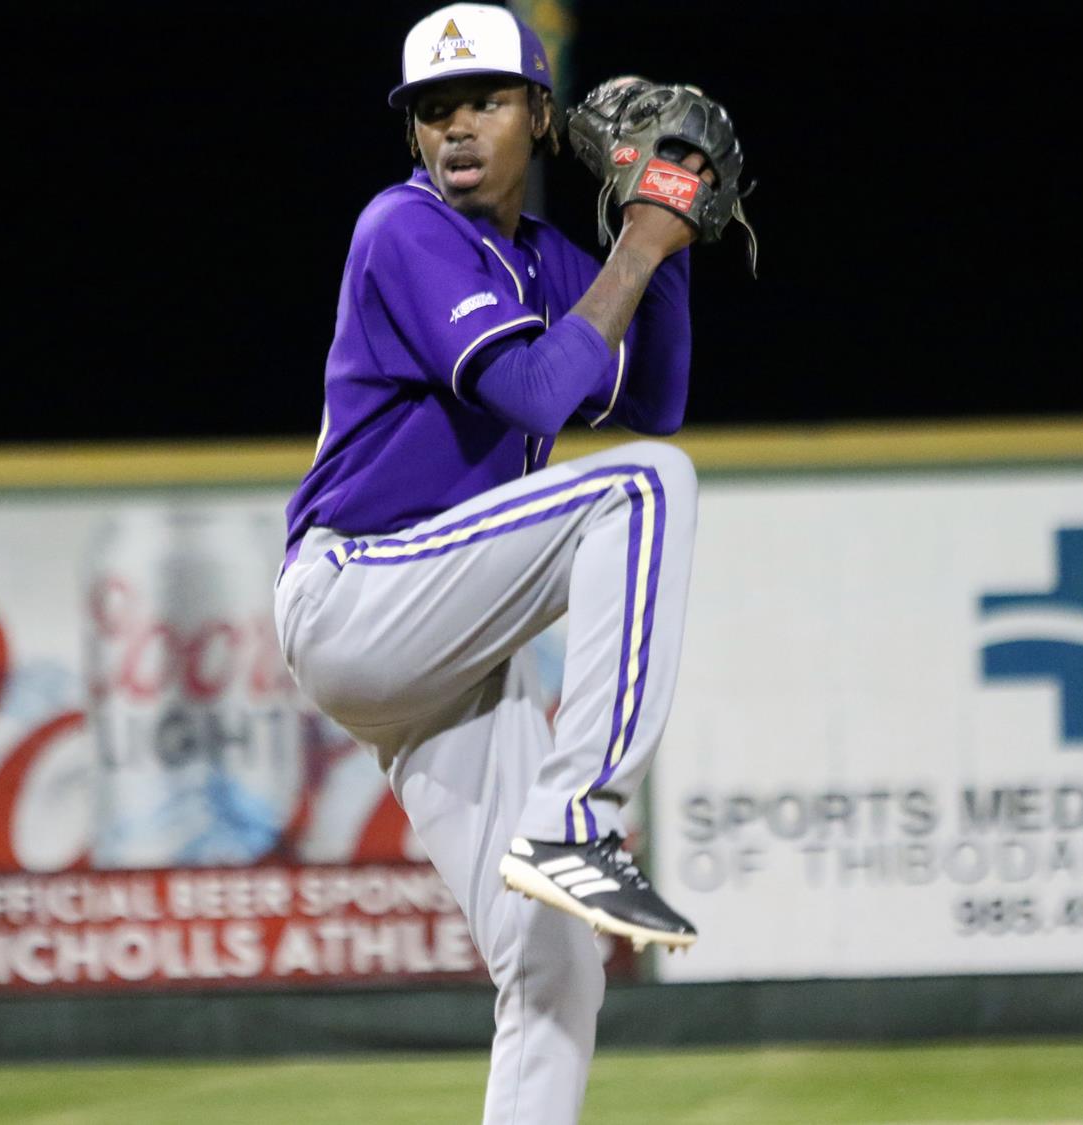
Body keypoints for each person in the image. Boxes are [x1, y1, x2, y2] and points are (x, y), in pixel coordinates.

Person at [272, 4, 722, 1120]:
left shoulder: (546, 258)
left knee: (555, 963)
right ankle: (578, 817)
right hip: (361, 591)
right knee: (643, 488)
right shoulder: (404, 227)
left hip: (446, 645)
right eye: (432, 110)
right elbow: (531, 393)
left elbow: (651, 396)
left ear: (537, 115)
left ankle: (562, 854)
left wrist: (648, 227)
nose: (455, 129)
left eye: (481, 100)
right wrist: (638, 242)